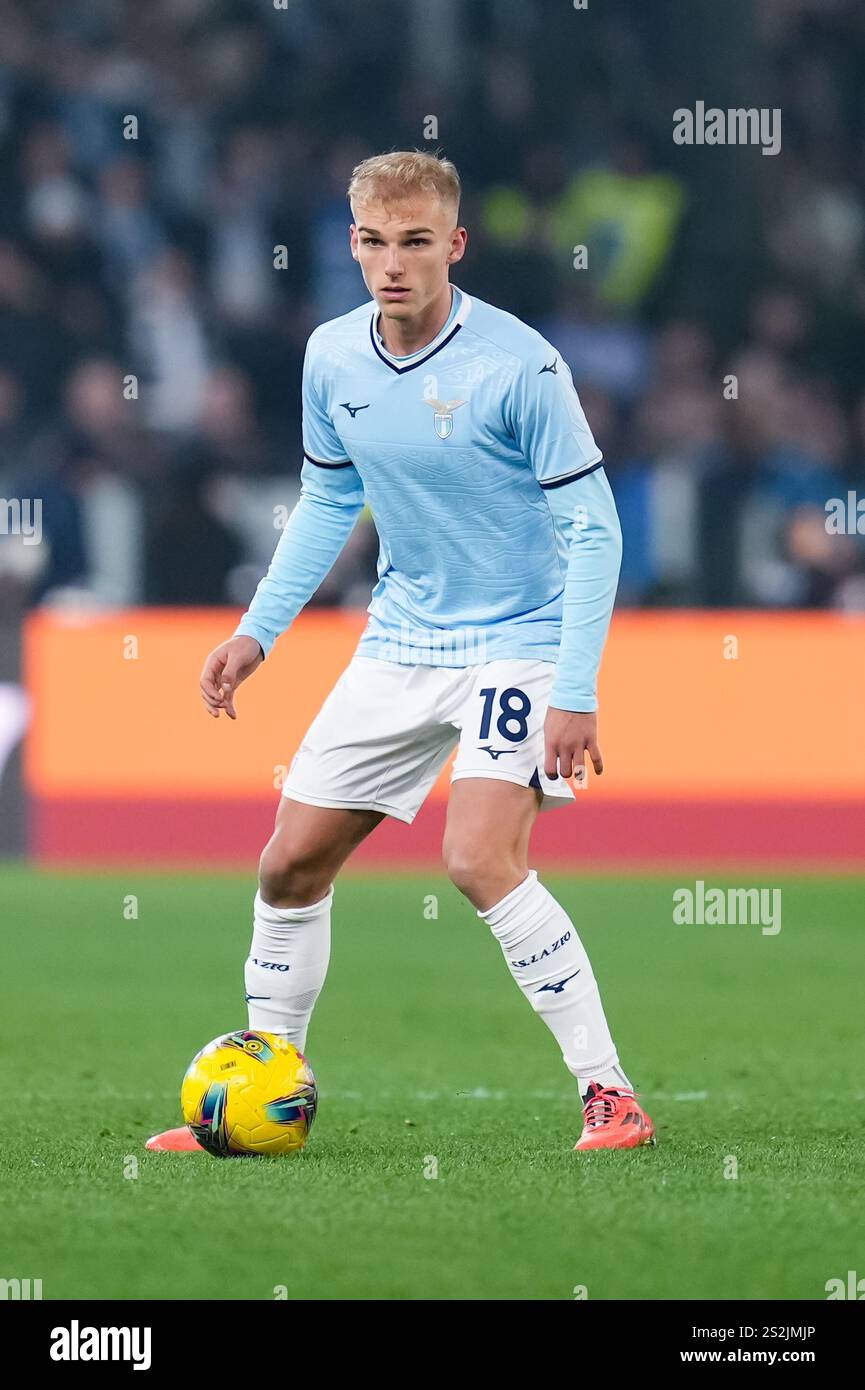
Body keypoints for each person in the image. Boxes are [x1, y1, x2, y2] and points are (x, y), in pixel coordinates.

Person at [148, 151, 654, 1154]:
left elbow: (596, 528)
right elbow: (330, 498)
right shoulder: (331, 357)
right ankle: (267, 1081)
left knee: (475, 857)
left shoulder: (519, 365)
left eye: (416, 242)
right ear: (351, 245)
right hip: (401, 639)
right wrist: (259, 630)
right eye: (375, 242)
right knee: (288, 864)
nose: (394, 263)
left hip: (520, 641)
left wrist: (576, 688)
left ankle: (610, 1094)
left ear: (453, 246)